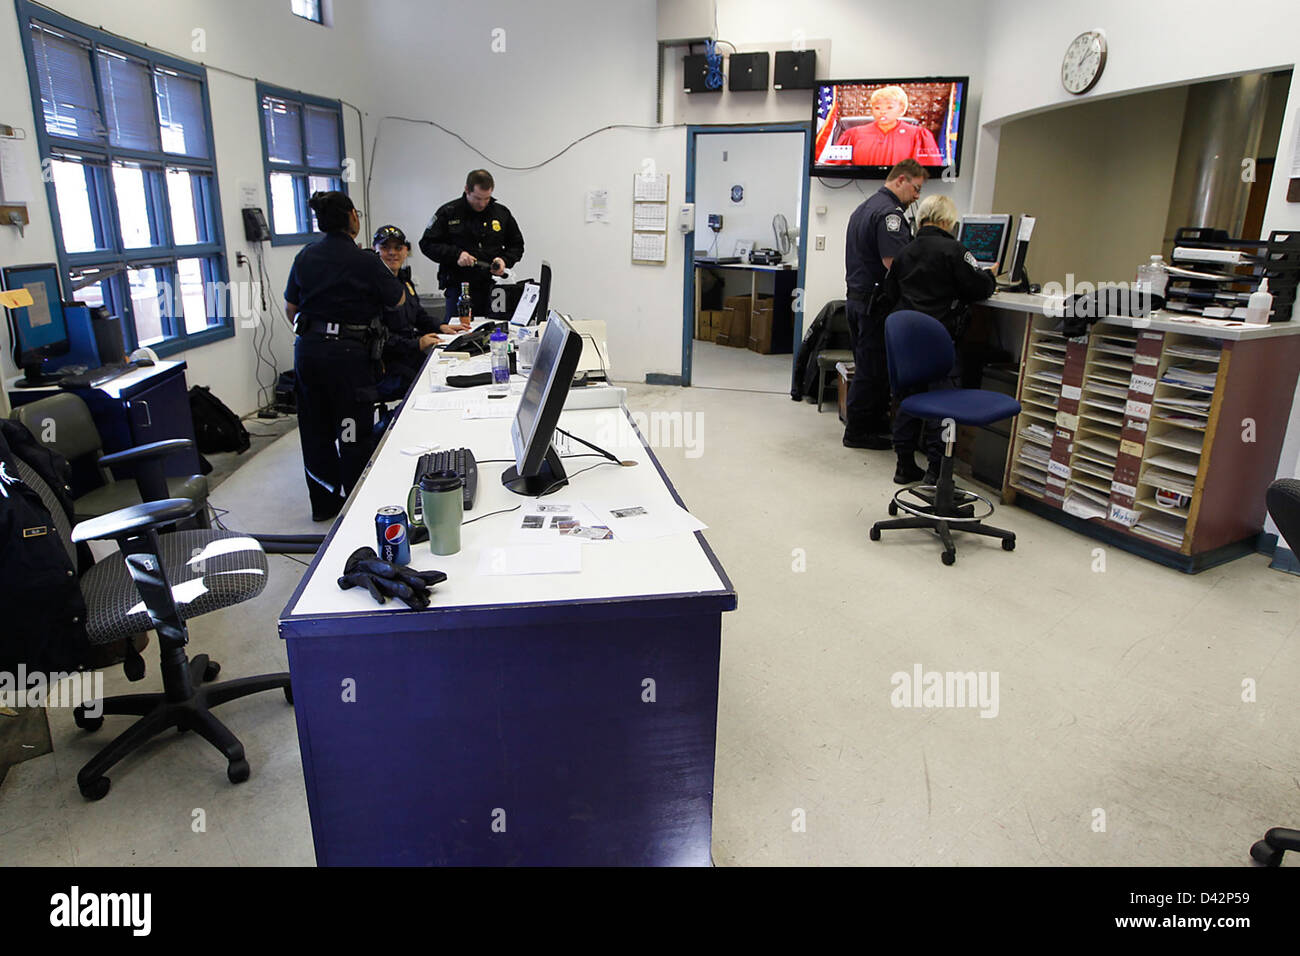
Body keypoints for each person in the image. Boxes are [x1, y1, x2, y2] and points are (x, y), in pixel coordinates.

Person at [285, 191, 404, 521]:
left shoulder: (306, 256)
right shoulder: (365, 261)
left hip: (308, 352)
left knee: (315, 429)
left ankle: (324, 504)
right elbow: (396, 301)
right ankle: (354, 506)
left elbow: (291, 308)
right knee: (351, 429)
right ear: (351, 217)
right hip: (349, 358)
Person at [868, 194, 997, 484]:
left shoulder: (904, 252)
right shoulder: (955, 251)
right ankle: (937, 470)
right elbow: (978, 288)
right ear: (943, 221)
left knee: (907, 401)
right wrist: (991, 276)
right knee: (944, 404)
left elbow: (890, 294)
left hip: (907, 347)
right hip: (941, 342)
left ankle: (904, 464)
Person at [841, 158, 927, 450]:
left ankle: (868, 423)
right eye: (915, 189)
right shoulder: (890, 214)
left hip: (856, 300)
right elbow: (894, 262)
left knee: (867, 364)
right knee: (872, 369)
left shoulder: (864, 207)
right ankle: (858, 432)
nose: (917, 197)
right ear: (901, 180)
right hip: (874, 304)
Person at [371, 224, 471, 404]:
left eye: (398, 248)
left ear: (405, 251)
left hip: (409, 353)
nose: (393, 253)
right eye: (385, 248)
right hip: (390, 362)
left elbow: (418, 314)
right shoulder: (373, 287)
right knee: (432, 383)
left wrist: (441, 326)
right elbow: (378, 339)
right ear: (375, 250)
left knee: (451, 371)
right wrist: (417, 343)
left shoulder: (403, 280)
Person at [419, 169, 525, 323]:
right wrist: (456, 255)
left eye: (487, 198)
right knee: (459, 331)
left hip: (493, 287)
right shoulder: (449, 213)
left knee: (494, 331)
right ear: (467, 190)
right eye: (477, 198)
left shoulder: (501, 213)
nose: (482, 203)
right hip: (460, 287)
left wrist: (504, 260)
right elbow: (427, 244)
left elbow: (516, 245)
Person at [835, 86, 944, 167]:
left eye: (889, 107)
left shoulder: (919, 135)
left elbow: (929, 168)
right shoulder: (853, 134)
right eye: (877, 108)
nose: (882, 112)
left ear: (901, 110)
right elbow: (836, 166)